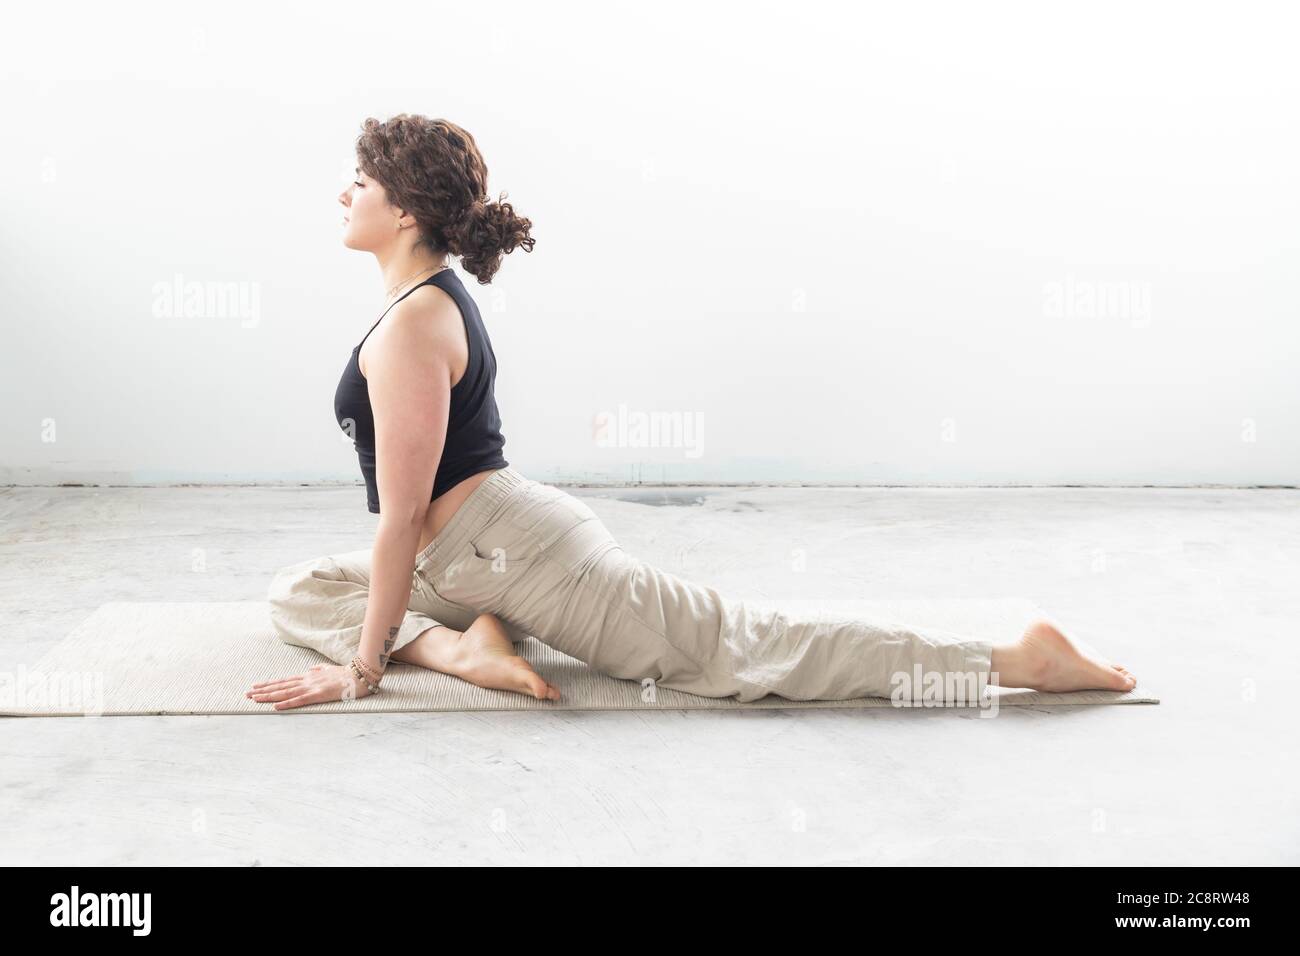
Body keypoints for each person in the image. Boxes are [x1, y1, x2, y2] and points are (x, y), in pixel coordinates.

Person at [247, 114, 1138, 711]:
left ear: (403, 211)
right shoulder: (422, 303)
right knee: (304, 590)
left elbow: (403, 513)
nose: (343, 194)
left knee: (741, 649)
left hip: (516, 554)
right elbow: (407, 522)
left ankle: (1016, 661)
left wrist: (360, 672)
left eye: (358, 182)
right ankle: (461, 648)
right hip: (476, 552)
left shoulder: (413, 328)